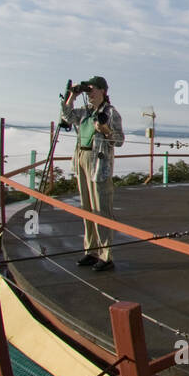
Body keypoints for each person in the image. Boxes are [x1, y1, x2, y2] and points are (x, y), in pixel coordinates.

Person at [61, 76, 125, 271]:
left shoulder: (110, 112)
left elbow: (119, 140)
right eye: (87, 91)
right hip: (81, 158)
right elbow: (67, 117)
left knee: (101, 209)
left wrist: (105, 130)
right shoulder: (86, 112)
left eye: (92, 90)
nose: (89, 94)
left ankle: (106, 256)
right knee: (87, 208)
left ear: (103, 91)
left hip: (98, 163)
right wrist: (72, 96)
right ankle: (91, 251)